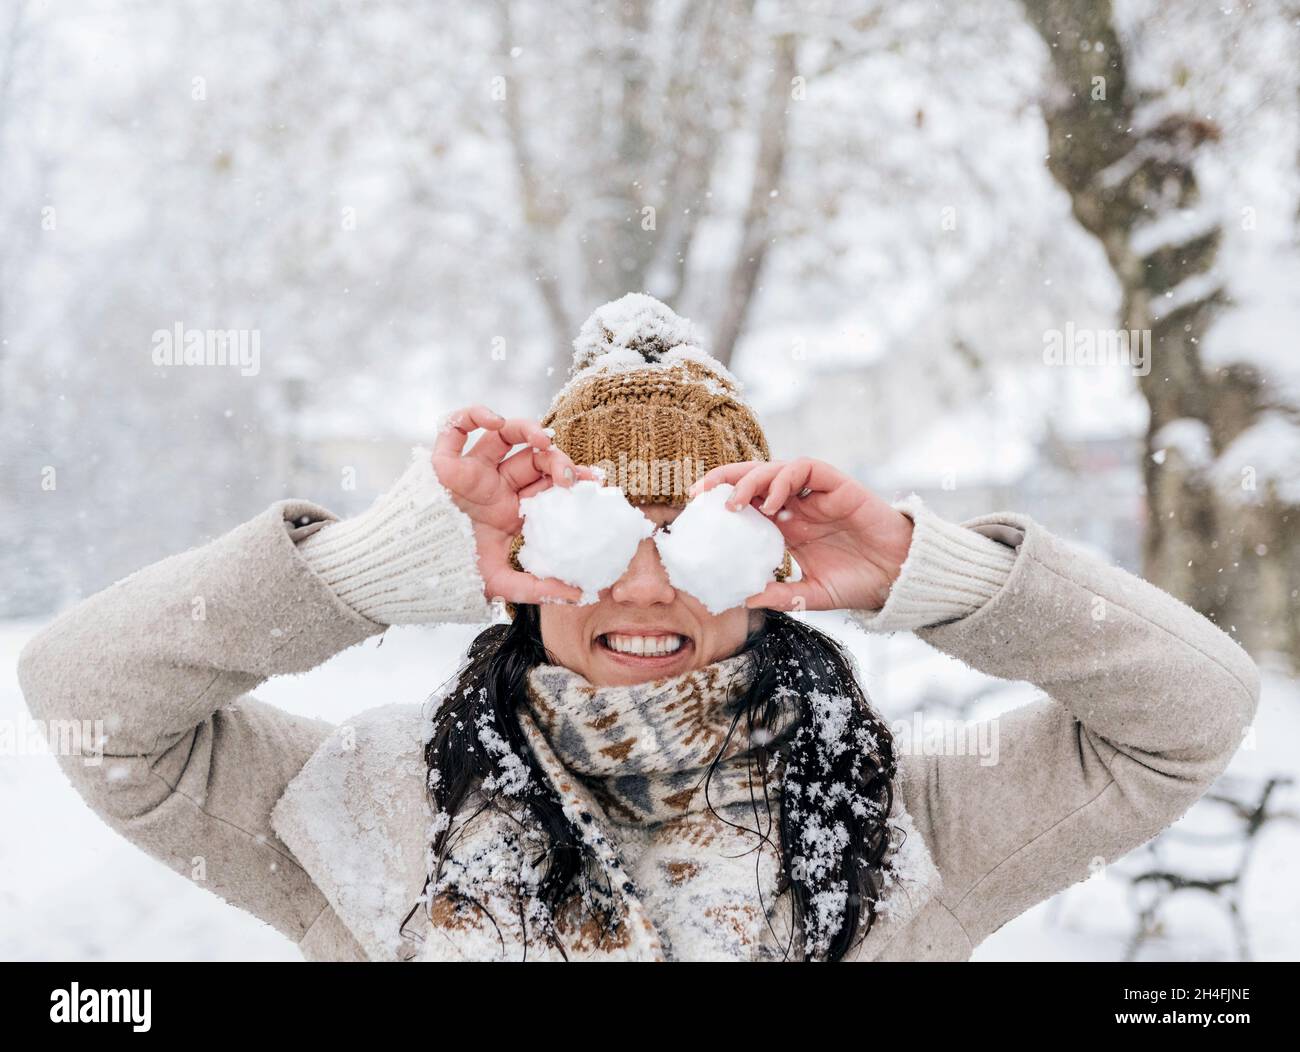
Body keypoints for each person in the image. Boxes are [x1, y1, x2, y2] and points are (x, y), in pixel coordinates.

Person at [17, 293, 1260, 962]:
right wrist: (368, 566)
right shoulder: (368, 807)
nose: (648, 590)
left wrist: (923, 570)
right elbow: (87, 697)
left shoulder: (899, 821)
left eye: (694, 539)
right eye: (600, 539)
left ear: (765, 569)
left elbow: (1191, 711)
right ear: (521, 568)